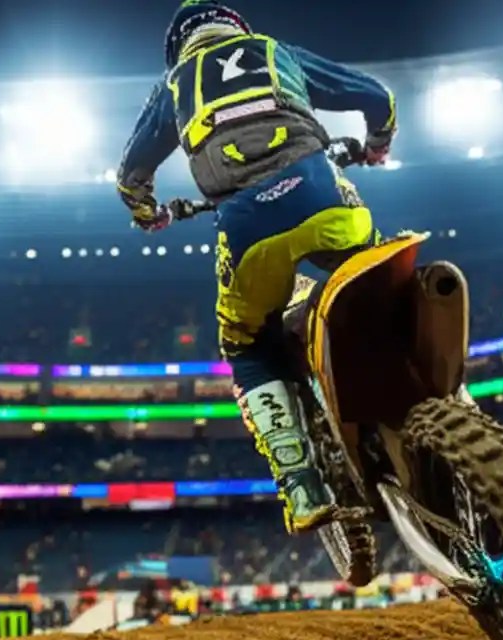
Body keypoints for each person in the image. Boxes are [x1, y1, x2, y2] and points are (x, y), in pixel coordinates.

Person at [115, 1, 397, 534]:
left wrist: (151, 213)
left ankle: (299, 482)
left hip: (248, 227)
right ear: (237, 27)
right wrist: (377, 143)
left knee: (244, 343)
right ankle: (451, 396)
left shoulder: (177, 84)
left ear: (179, 47)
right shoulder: (275, 52)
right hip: (324, 195)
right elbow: (377, 97)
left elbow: (130, 175)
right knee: (385, 278)